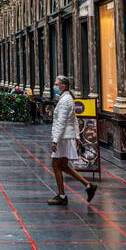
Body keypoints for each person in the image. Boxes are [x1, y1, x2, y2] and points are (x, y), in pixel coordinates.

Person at [48, 76, 96, 206]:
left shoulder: (65, 100)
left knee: (55, 165)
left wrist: (55, 141)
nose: (55, 86)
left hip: (63, 137)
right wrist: (77, 137)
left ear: (63, 86)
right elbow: (74, 120)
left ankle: (62, 196)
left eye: (56, 84)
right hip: (66, 136)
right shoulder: (67, 98)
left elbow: (61, 122)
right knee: (62, 166)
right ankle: (88, 186)